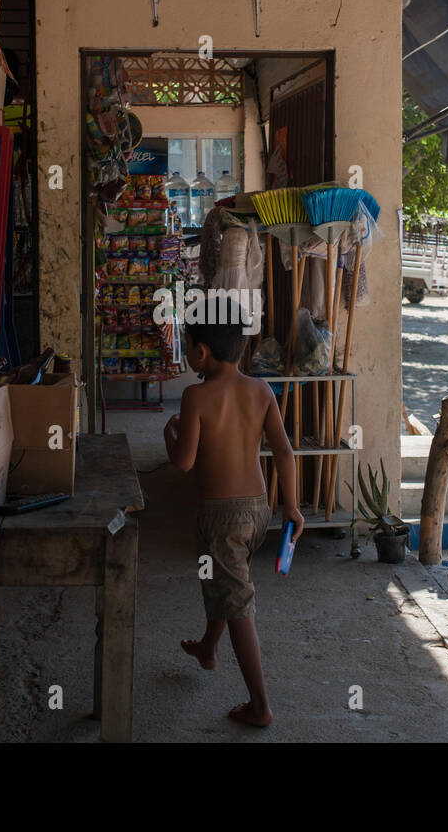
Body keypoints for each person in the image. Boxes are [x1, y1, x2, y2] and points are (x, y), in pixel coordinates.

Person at [163, 303, 302, 727]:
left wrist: (170, 434)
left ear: (202, 351)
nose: (186, 354)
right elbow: (283, 450)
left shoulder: (195, 396)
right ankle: (208, 645)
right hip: (257, 511)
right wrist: (292, 506)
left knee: (237, 600)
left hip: (220, 516)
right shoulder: (261, 392)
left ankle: (260, 705)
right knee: (226, 580)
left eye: (187, 347)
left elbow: (184, 462)